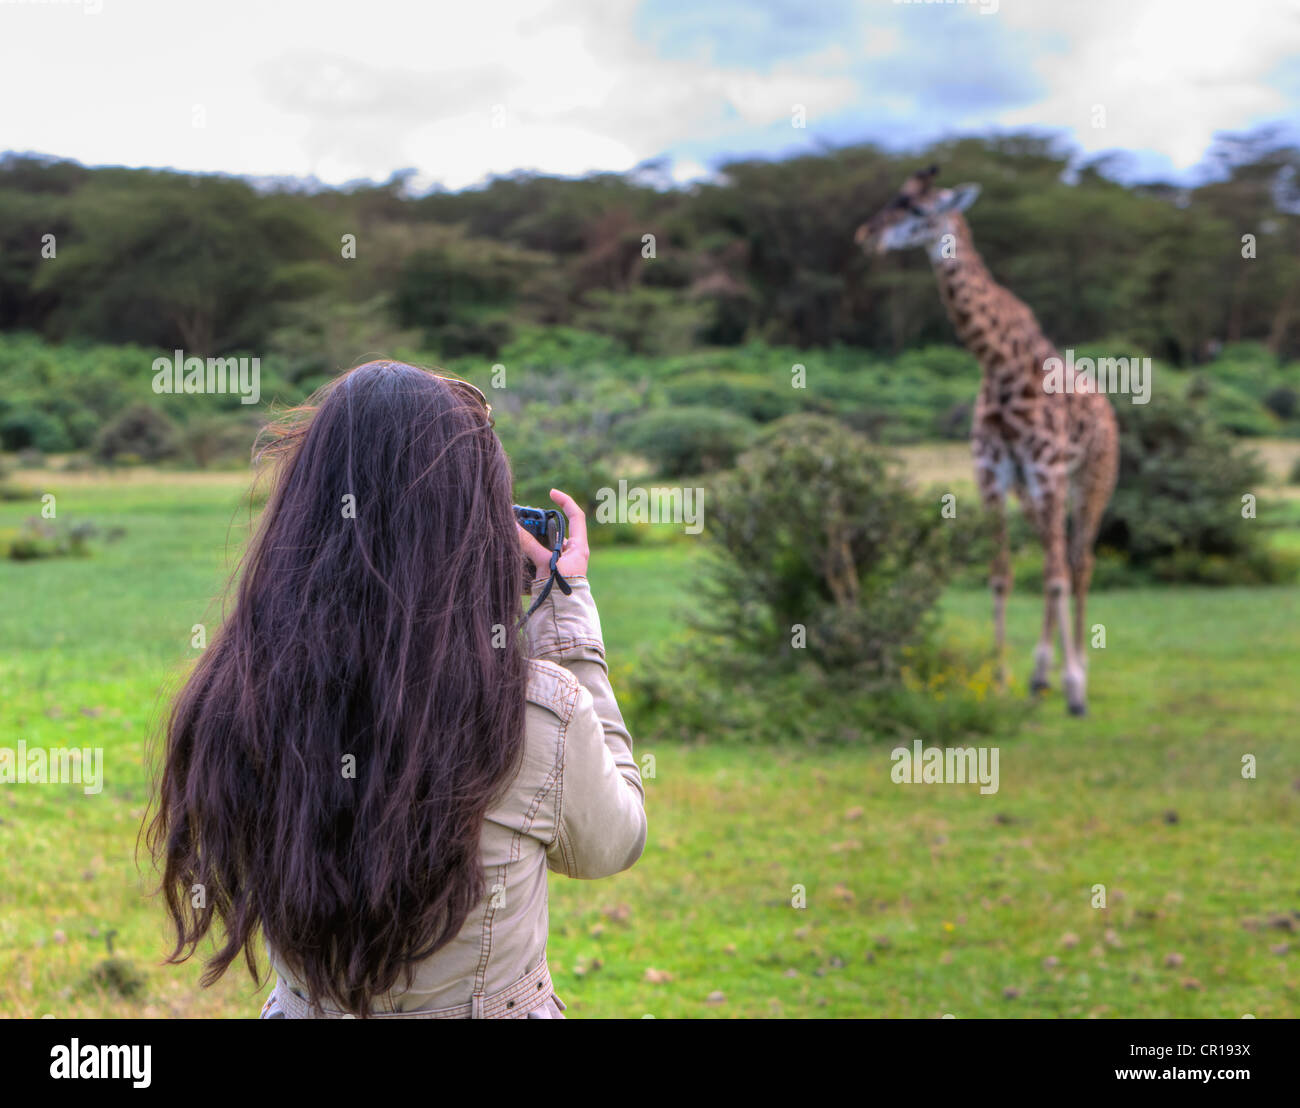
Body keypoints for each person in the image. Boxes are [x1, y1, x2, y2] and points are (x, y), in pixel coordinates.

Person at [146, 359, 647, 1019]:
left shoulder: (235, 688)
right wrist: (565, 615)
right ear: (473, 524)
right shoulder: (528, 708)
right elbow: (614, 842)